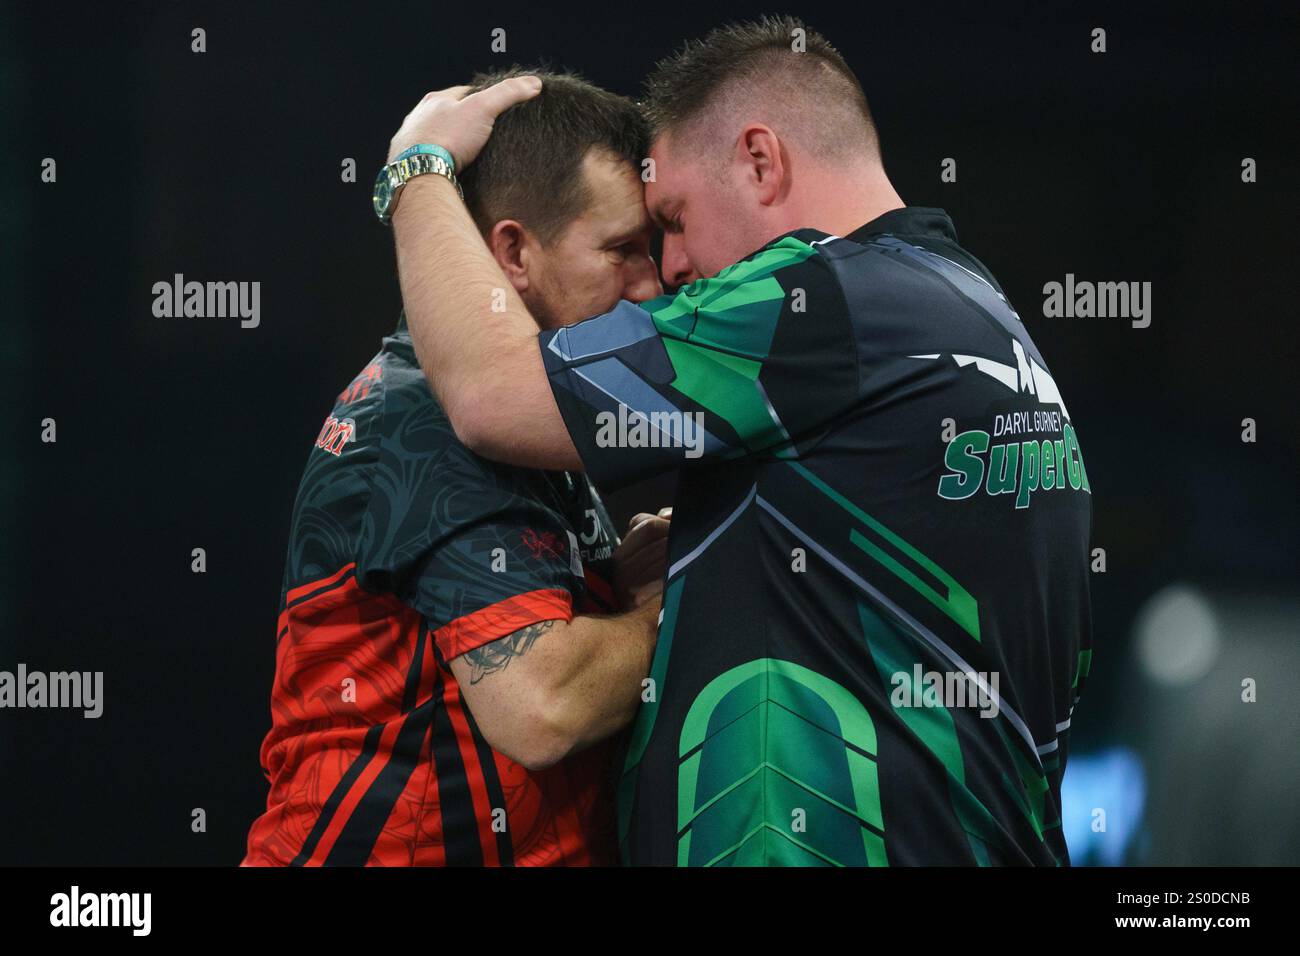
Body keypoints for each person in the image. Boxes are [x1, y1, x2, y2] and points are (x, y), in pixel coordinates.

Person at [384, 17, 1094, 866]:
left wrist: (417, 169)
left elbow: (489, 395)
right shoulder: (977, 310)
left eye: (674, 218)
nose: (670, 269)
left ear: (761, 160)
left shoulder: (819, 301)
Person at [243, 68, 668, 867]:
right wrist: (691, 591)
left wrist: (614, 576)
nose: (653, 285)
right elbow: (541, 703)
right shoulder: (433, 419)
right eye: (623, 251)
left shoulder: (517, 411)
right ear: (513, 251)